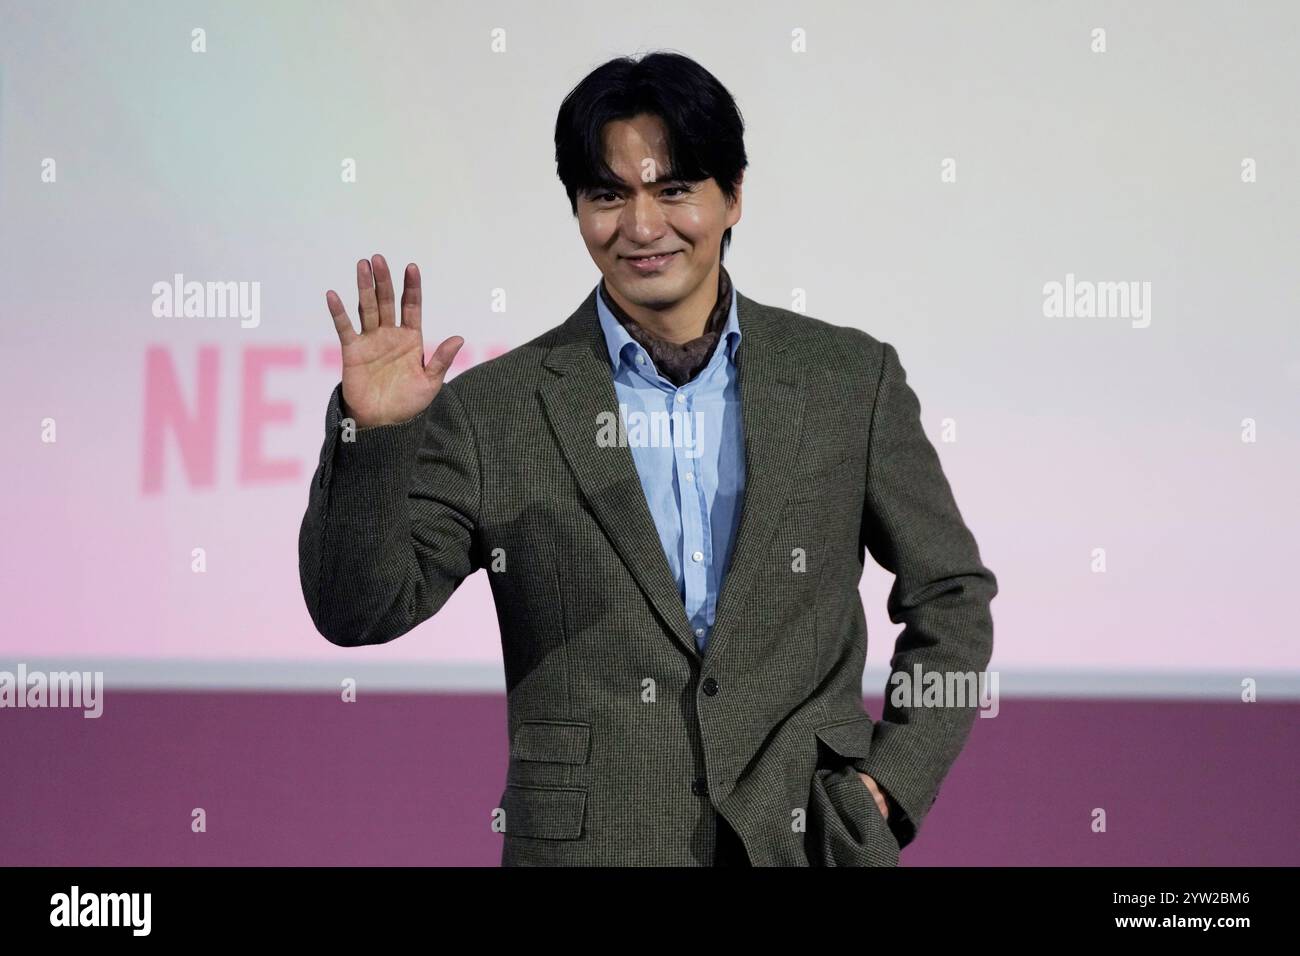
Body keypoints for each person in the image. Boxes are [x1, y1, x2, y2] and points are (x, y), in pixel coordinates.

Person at [298, 51, 997, 866]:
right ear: (577, 210)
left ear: (733, 195)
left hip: (805, 845)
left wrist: (889, 787)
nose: (641, 226)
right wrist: (372, 435)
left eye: (672, 190)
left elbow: (950, 595)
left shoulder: (848, 378)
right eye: (609, 195)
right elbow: (357, 610)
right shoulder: (494, 409)